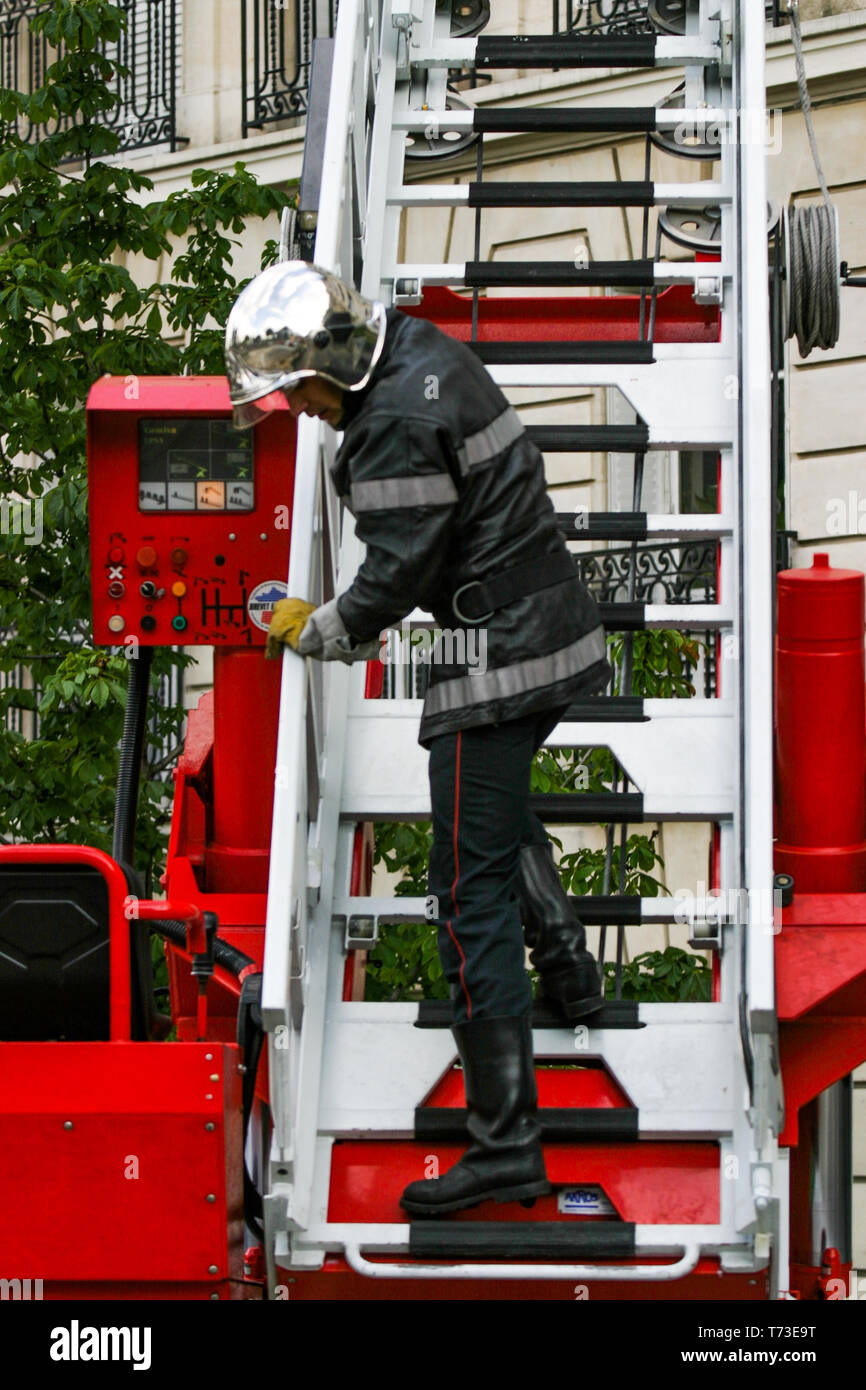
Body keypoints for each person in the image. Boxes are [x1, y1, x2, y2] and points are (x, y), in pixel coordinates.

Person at [225, 261, 613, 1217]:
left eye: (298, 392)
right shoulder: (420, 354)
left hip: (498, 661)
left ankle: (506, 1146)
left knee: (461, 892)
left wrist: (320, 630)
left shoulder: (392, 418)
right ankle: (570, 968)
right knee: (490, 822)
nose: (302, 414)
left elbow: (396, 572)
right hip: (542, 633)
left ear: (331, 363)